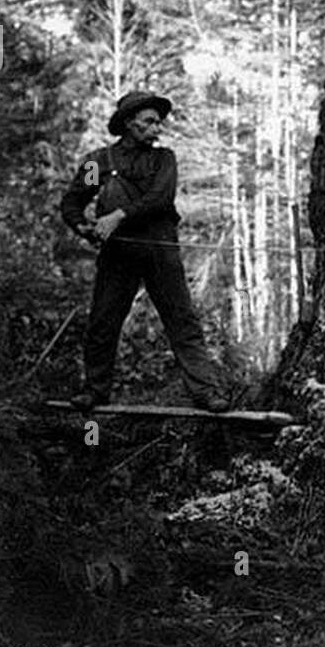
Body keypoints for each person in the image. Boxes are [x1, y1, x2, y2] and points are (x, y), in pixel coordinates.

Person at [59, 91, 227, 413]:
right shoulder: (100, 163)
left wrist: (117, 215)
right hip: (118, 255)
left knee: (182, 322)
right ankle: (95, 390)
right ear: (128, 123)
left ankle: (206, 392)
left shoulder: (164, 159)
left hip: (160, 251)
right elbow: (73, 200)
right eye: (149, 121)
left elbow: (159, 198)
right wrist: (81, 226)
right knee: (103, 323)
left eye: (158, 122)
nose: (157, 128)